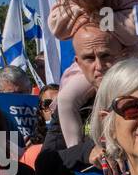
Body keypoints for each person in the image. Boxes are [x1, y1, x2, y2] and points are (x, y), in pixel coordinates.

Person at [48, 0, 138, 148]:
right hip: (92, 66)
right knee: (66, 99)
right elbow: (58, 30)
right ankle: (76, 150)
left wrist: (106, 17)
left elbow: (132, 34)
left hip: (132, 61)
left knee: (130, 98)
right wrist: (82, 13)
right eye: (80, 0)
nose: (88, 4)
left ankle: (127, 146)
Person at [40, 24, 122, 155]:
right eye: (89, 58)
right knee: (65, 99)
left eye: (106, 55)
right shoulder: (68, 104)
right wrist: (83, 154)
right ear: (77, 63)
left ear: (121, 54)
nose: (99, 66)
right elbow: (46, 165)